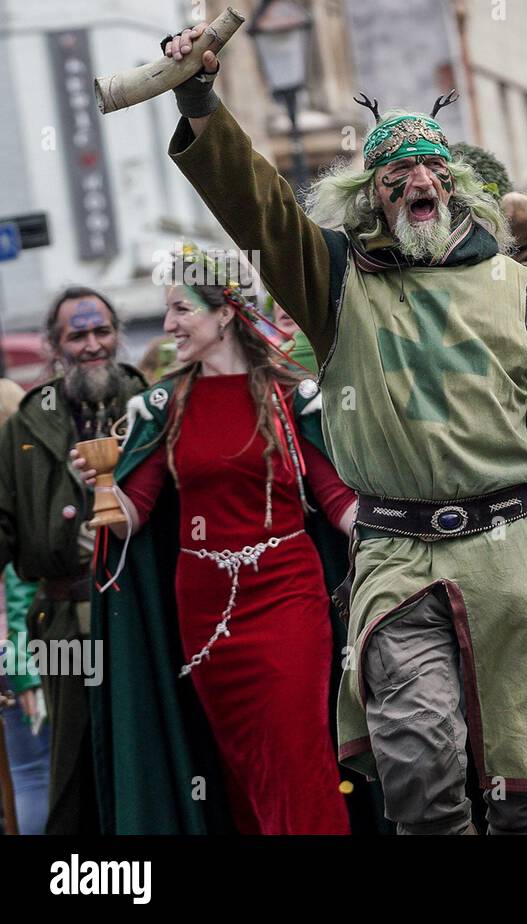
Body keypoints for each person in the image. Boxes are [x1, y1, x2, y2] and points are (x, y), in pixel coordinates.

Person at [159, 21, 527, 835]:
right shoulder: (332, 281)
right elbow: (258, 210)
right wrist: (198, 96)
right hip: (399, 561)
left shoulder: (519, 291)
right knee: (420, 774)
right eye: (397, 170)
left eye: (433, 166)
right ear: (371, 194)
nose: (417, 180)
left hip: (513, 554)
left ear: (458, 187)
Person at [78, 249, 357, 834]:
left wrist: (397, 527)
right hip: (203, 614)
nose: (170, 325)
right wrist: (102, 484)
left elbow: (334, 499)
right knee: (242, 765)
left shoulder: (288, 395)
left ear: (225, 314)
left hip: (287, 596)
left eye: (181, 310)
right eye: (168, 312)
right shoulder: (164, 406)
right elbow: (134, 515)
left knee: (298, 753)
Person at [0, 288, 146, 834]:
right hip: (62, 622)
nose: (92, 345)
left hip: (141, 610)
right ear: (55, 345)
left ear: (116, 333)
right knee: (73, 757)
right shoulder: (24, 427)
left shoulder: (149, 401)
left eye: (101, 331)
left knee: (143, 743)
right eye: (77, 336)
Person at [0, 378, 51, 835]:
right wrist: (25, 671)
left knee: (24, 775)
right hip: (20, 653)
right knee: (36, 774)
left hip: (13, 651)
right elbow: (18, 589)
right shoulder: (19, 488)